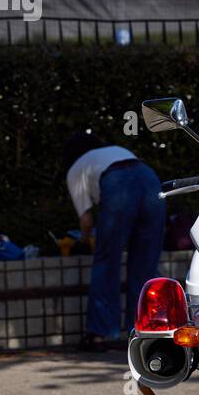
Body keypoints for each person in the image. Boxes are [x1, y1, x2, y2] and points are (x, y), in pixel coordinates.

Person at [61, 131, 166, 351]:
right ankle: (144, 332)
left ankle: (99, 335)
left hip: (117, 185)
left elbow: (86, 219)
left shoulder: (75, 169)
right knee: (145, 264)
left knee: (107, 262)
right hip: (150, 180)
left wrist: (86, 239)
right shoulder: (116, 151)